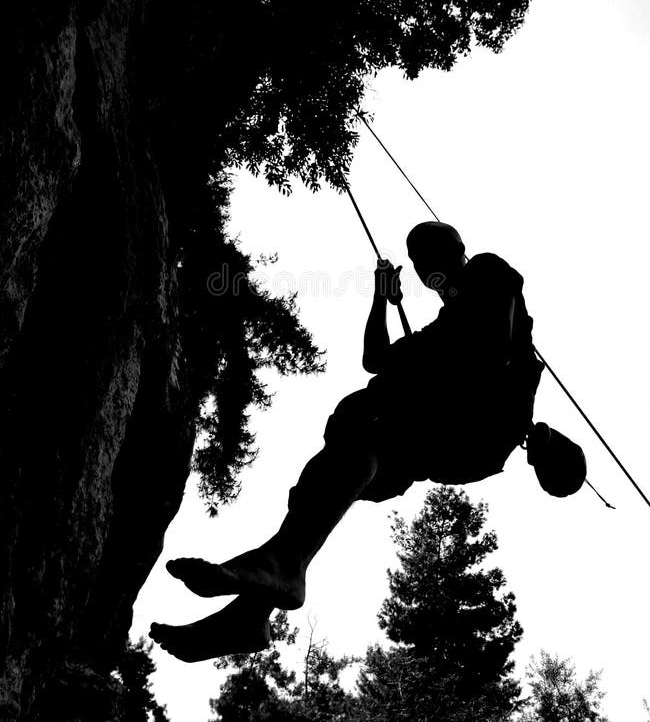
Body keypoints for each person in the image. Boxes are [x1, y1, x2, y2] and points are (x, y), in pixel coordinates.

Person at [150, 222, 546, 662]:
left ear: (460, 250)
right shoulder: (438, 334)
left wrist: (425, 364)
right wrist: (382, 298)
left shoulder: (486, 274)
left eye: (433, 253)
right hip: (444, 441)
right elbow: (375, 358)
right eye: (417, 260)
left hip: (481, 426)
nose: (424, 265)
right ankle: (251, 611)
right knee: (339, 467)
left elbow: (490, 349)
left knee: (367, 425)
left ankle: (279, 570)